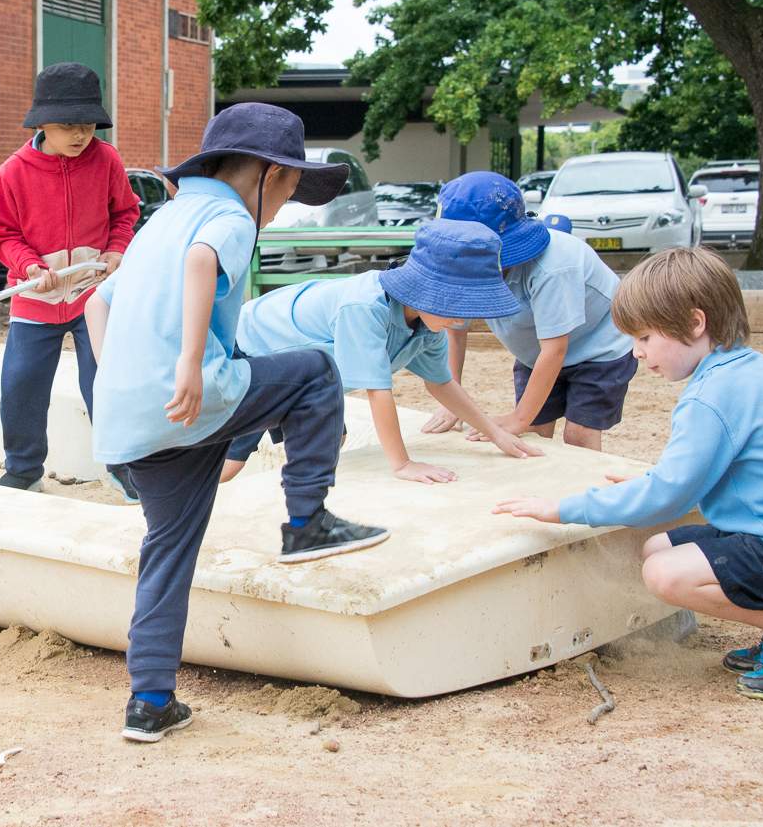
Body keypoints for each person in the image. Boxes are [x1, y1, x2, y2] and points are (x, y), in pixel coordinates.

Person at [84, 103, 388, 743]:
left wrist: (119, 379)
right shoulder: (226, 215)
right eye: (287, 192)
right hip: (194, 395)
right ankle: (307, 522)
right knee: (313, 374)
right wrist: (191, 362)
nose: (282, 208)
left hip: (135, 422)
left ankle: (150, 703)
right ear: (268, 175)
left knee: (167, 552)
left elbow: (95, 303)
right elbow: (202, 262)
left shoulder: (158, 220)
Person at [495, 247, 763, 700]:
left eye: (643, 337)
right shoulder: (749, 368)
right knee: (658, 544)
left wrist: (562, 509)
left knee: (666, 574)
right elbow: (706, 468)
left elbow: (669, 497)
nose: (636, 353)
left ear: (695, 324)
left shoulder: (709, 396)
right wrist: (653, 482)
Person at [220, 219, 540, 485]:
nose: (461, 319)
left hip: (306, 373)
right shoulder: (367, 308)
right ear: (426, 292)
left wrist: (496, 434)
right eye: (456, 306)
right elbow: (378, 391)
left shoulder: (429, 325)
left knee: (328, 443)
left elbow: (442, 383)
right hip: (255, 349)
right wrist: (402, 464)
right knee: (229, 463)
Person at [0, 62, 139, 490]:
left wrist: (115, 251)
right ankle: (23, 469)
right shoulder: (13, 171)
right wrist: (28, 266)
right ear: (43, 123)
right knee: (21, 385)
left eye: (89, 125)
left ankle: (122, 467)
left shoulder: (106, 160)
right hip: (37, 296)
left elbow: (125, 213)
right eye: (70, 125)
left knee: (105, 380)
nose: (80, 136)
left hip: (93, 292)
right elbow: (1, 234)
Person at [428, 171, 635, 451]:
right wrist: (453, 402)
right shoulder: (464, 268)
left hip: (598, 348)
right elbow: (455, 331)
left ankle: (582, 494)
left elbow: (555, 350)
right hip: (533, 352)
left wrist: (518, 419)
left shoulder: (554, 267)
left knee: (578, 435)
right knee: (536, 433)